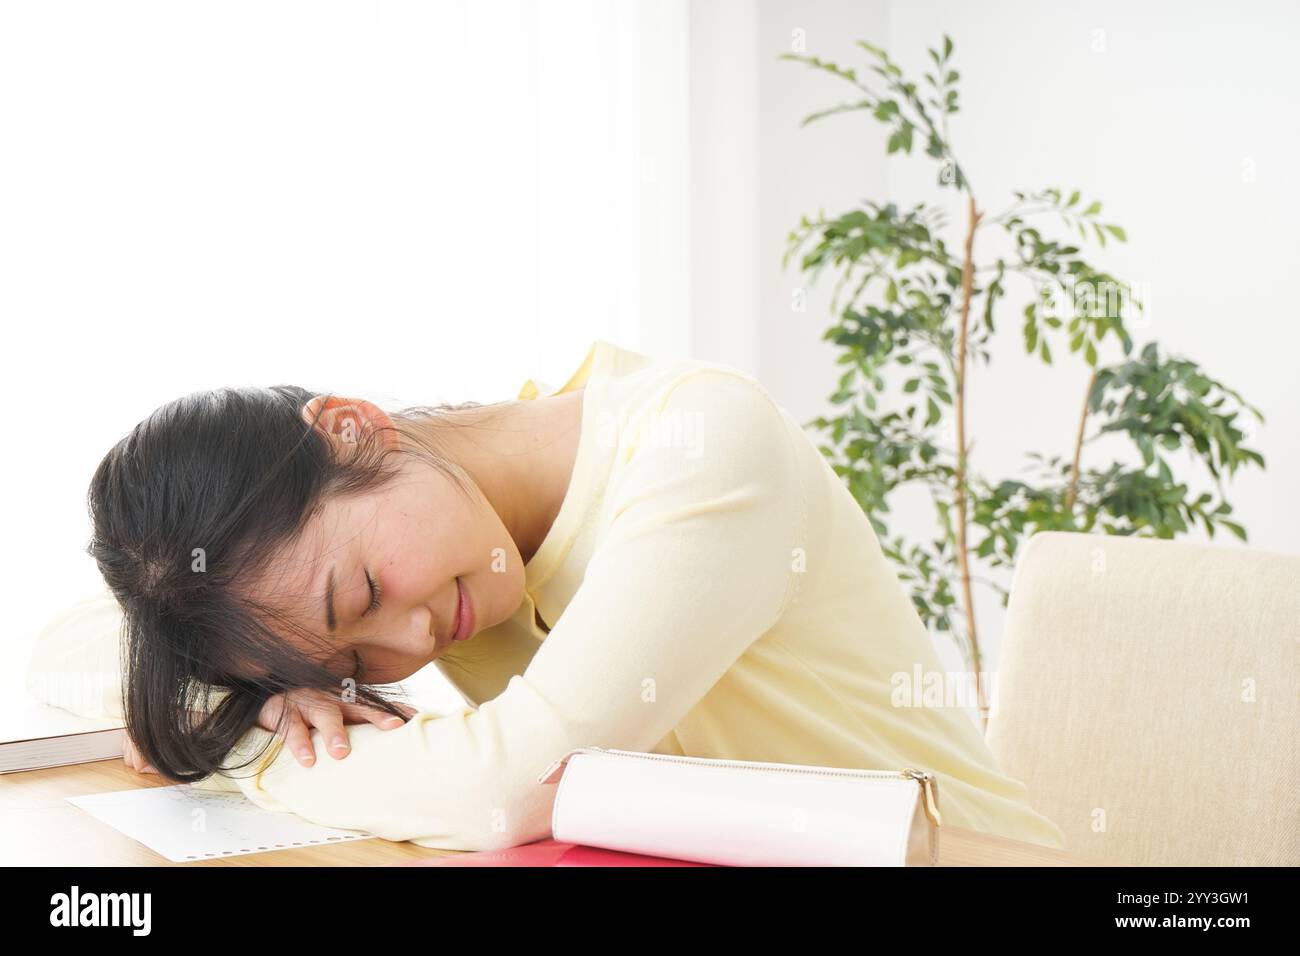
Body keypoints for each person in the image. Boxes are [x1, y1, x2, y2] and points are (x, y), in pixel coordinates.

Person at [42, 338, 1066, 851]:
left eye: (360, 589)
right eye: (349, 665)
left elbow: (499, 786)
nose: (405, 640)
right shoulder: (443, 522)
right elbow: (66, 645)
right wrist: (247, 688)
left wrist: (251, 744)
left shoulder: (698, 449)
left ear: (353, 427)